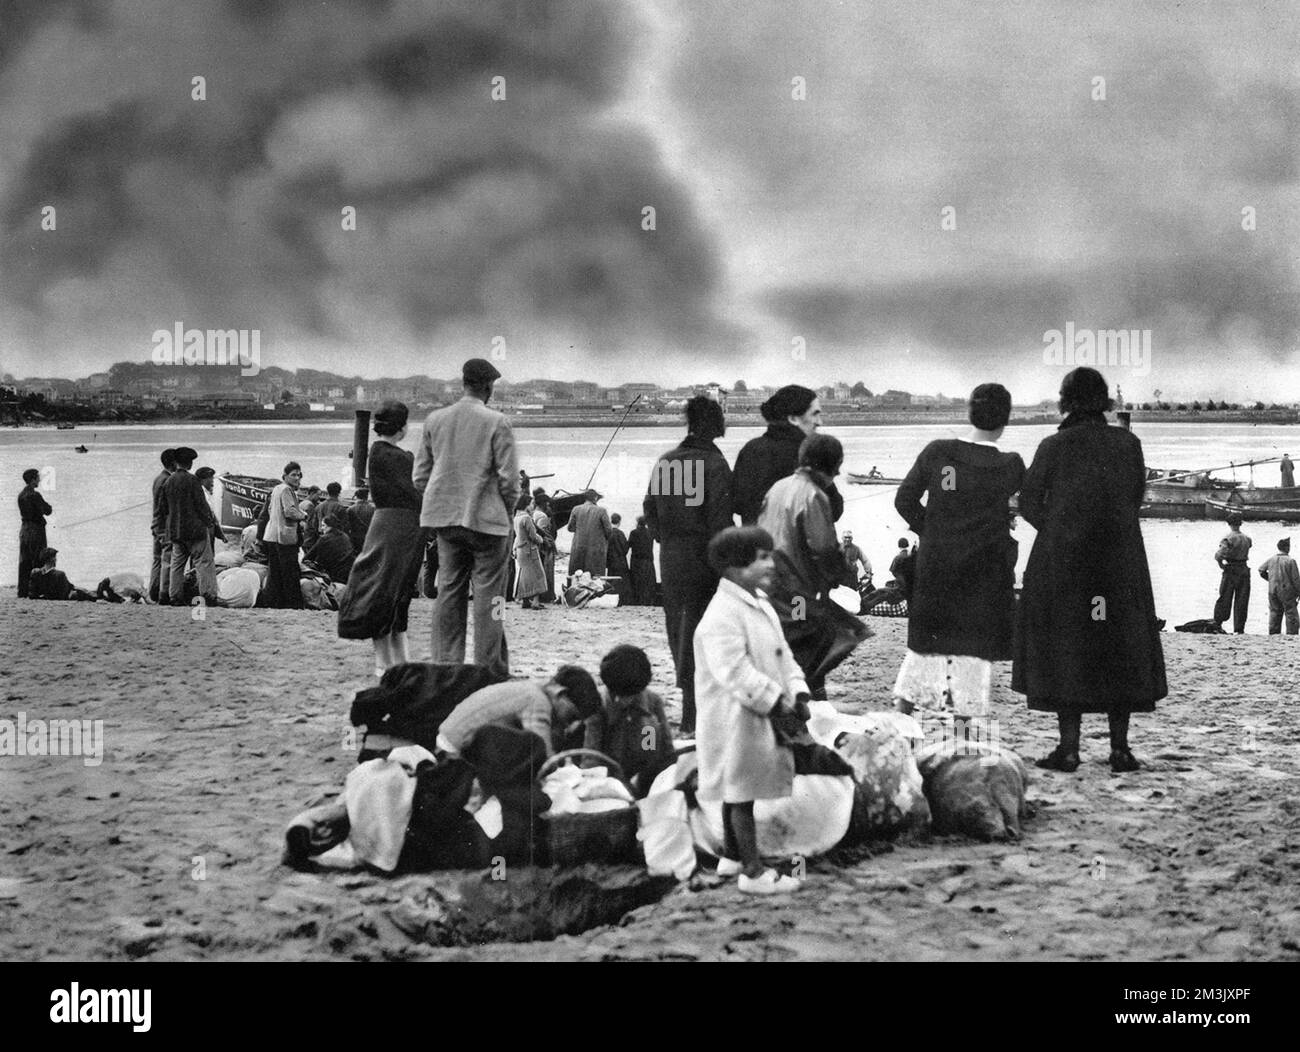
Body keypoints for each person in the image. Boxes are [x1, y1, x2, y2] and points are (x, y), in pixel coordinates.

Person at [1012, 367, 1166, 774]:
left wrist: (1059, 530)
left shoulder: (1053, 446)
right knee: (1119, 645)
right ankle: (1120, 750)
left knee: (1068, 646)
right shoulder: (1128, 443)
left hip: (1064, 564)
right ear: (1105, 402)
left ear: (1066, 400)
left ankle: (1069, 749)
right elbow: (1135, 496)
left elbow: (1027, 502)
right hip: (1119, 562)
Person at [892, 383, 1026, 728]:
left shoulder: (938, 452)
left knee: (925, 646)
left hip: (936, 565)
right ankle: (965, 732)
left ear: (969, 412)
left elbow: (904, 499)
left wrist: (933, 532)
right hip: (983, 570)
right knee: (974, 650)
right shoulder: (1010, 465)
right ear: (1005, 419)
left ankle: (902, 722)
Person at [694, 526, 807, 895]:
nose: (772, 564)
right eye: (762, 558)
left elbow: (784, 655)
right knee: (740, 792)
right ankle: (753, 872)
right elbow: (734, 672)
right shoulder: (720, 615)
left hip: (754, 715)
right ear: (733, 568)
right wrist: (775, 701)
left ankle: (731, 855)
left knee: (739, 787)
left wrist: (799, 692)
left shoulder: (760, 606)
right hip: (733, 718)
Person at [413, 358, 520, 679]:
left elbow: (420, 478)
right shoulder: (497, 422)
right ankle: (488, 670)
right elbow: (510, 482)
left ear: (464, 383)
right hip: (488, 525)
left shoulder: (435, 420)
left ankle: (447, 668)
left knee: (449, 591)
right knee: (491, 599)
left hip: (446, 523)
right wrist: (507, 513)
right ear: (487, 387)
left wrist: (444, 501)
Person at [644, 395, 735, 734]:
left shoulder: (666, 461)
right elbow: (720, 523)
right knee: (708, 632)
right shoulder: (715, 464)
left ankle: (688, 713)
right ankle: (702, 713)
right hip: (706, 557)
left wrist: (665, 537)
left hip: (671, 557)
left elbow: (650, 509)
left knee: (679, 630)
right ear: (714, 423)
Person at [758, 433, 870, 700]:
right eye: (837, 466)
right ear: (830, 465)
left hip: (771, 584)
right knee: (830, 640)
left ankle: (810, 697)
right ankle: (808, 702)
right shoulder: (813, 495)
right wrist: (839, 577)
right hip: (799, 589)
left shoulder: (778, 487)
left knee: (795, 646)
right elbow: (823, 547)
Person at [338, 402, 425, 674]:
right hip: (403, 527)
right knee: (397, 593)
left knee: (381, 589)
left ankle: (388, 663)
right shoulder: (402, 457)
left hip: (384, 524)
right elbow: (416, 492)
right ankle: (394, 665)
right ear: (402, 428)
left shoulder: (377, 452)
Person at [732, 384, 843, 525]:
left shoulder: (751, 448)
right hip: (796, 545)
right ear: (793, 419)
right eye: (815, 414)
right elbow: (833, 510)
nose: (819, 422)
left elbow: (737, 504)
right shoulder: (809, 455)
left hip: (755, 542)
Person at [436, 665, 602, 758]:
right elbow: (540, 752)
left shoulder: (532, 689)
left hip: (451, 739)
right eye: (572, 716)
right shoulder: (538, 701)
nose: (570, 724)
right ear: (560, 692)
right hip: (453, 751)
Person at [584, 645, 675, 797]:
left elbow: (663, 754)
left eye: (627, 696)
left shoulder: (651, 704)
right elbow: (590, 759)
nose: (620, 700)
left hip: (643, 781)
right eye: (615, 694)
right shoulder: (597, 707)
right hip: (607, 786)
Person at [164, 447, 219, 606]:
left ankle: (175, 597)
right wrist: (208, 523)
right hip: (195, 531)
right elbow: (201, 506)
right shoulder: (193, 480)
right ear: (189, 463)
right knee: (205, 563)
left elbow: (164, 509)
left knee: (177, 565)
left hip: (176, 532)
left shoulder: (169, 481)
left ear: (176, 462)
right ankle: (207, 596)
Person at [263, 461, 308, 609]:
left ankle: (273, 602)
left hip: (271, 535)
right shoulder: (287, 490)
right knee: (290, 572)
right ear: (285, 476)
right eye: (293, 475)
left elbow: (270, 509)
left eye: (298, 475)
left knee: (275, 573)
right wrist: (304, 515)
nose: (297, 478)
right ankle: (293, 604)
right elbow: (290, 511)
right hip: (284, 537)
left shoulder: (276, 489)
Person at [1213, 513, 1252, 634]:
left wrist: (1221, 565)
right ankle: (1239, 629)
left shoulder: (1228, 538)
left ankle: (1218, 623)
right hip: (1244, 569)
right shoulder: (1247, 538)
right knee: (1242, 600)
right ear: (1240, 523)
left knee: (1225, 597)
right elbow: (1249, 546)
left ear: (1229, 524)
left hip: (1231, 569)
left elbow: (1218, 555)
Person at [17, 467, 52, 600]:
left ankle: (23, 591)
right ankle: (36, 591)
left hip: (25, 529)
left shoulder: (21, 495)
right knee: (39, 558)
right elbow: (47, 510)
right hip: (36, 530)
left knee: (24, 561)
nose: (39, 479)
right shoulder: (35, 495)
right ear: (32, 480)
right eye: (37, 477)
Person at [148, 450, 176, 603]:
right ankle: (164, 593)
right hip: (164, 527)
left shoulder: (158, 478)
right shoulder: (167, 480)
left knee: (157, 560)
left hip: (156, 525)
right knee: (167, 560)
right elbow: (167, 507)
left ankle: (153, 592)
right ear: (173, 463)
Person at [512, 494, 548, 610]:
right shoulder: (526, 518)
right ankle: (536, 602)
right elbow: (532, 535)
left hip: (520, 549)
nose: (533, 506)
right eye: (531, 504)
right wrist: (542, 540)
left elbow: (518, 536)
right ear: (526, 505)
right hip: (529, 550)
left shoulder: (516, 517)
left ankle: (525, 600)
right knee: (538, 574)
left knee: (524, 575)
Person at [1258, 537, 1300, 635]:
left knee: (1274, 612)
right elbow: (1296, 579)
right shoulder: (1290, 561)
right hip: (1287, 590)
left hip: (1272, 589)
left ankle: (1273, 633)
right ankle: (1292, 633)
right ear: (1287, 548)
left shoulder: (1271, 559)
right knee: (1291, 613)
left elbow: (1261, 570)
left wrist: (1270, 580)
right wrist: (1299, 591)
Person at [567, 490, 612, 576]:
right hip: (596, 550)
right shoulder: (602, 511)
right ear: (595, 498)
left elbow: (570, 528)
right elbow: (609, 530)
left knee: (577, 576)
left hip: (578, 548)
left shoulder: (576, 509)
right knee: (595, 579)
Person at [305, 512, 356, 584]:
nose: (321, 528)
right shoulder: (345, 536)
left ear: (329, 526)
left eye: (323, 525)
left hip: (335, 574)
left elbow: (309, 556)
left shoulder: (324, 538)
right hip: (349, 571)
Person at [27, 548, 96, 601]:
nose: (56, 559)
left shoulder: (35, 572)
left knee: (85, 591)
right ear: (52, 559)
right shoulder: (59, 574)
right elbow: (64, 593)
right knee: (88, 593)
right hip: (68, 594)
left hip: (49, 595)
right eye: (54, 557)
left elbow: (32, 593)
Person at [531, 490, 558, 604]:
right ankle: (546, 596)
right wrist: (550, 545)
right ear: (543, 504)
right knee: (546, 572)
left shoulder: (533, 514)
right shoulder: (543, 516)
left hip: (535, 548)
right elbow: (544, 533)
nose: (548, 505)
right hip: (544, 548)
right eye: (547, 503)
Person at [627, 514, 658, 606]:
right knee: (648, 582)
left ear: (638, 523)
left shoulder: (634, 533)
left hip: (637, 561)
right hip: (648, 560)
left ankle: (638, 601)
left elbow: (628, 545)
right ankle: (648, 601)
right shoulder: (650, 532)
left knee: (637, 581)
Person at [608, 512, 631, 604]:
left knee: (611, 581)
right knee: (622, 583)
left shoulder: (608, 533)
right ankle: (622, 601)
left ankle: (612, 599)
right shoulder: (620, 533)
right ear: (619, 522)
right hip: (620, 561)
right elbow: (625, 549)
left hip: (610, 562)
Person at [345, 487, 375, 552]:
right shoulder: (373, 509)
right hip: (369, 538)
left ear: (356, 497)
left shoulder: (350, 509)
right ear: (367, 497)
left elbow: (347, 526)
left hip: (354, 538)